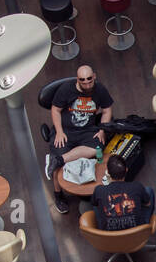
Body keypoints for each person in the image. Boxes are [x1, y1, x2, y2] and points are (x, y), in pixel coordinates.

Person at [45, 66, 114, 214]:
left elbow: (107, 110)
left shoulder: (100, 89)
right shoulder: (66, 89)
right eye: (83, 81)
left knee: (97, 148)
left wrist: (102, 129)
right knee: (58, 169)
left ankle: (59, 159)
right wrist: (59, 132)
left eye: (89, 79)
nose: (87, 84)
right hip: (66, 131)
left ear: (94, 76)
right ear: (77, 80)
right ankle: (58, 195)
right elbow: (55, 110)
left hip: (87, 130)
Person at [91, 155, 154, 230]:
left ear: (108, 172)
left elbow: (94, 204)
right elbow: (148, 204)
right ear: (126, 170)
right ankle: (146, 223)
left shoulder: (99, 190)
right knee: (148, 190)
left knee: (96, 201)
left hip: (108, 237)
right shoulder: (137, 186)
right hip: (138, 234)